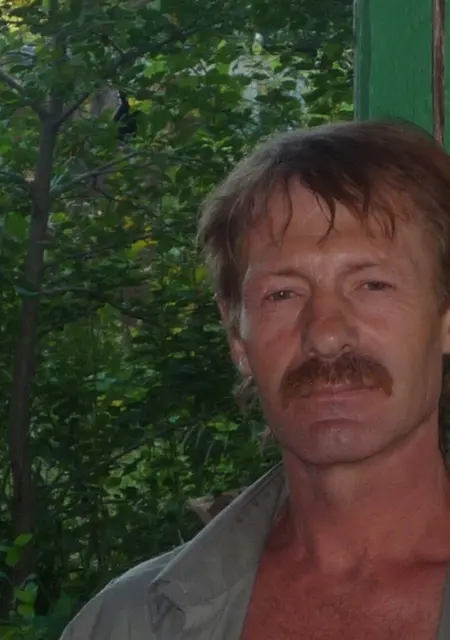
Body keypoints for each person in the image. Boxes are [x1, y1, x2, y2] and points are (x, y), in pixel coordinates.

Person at [59, 119, 450, 639]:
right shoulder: (130, 625)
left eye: (372, 285)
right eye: (282, 294)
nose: (325, 335)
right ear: (237, 337)